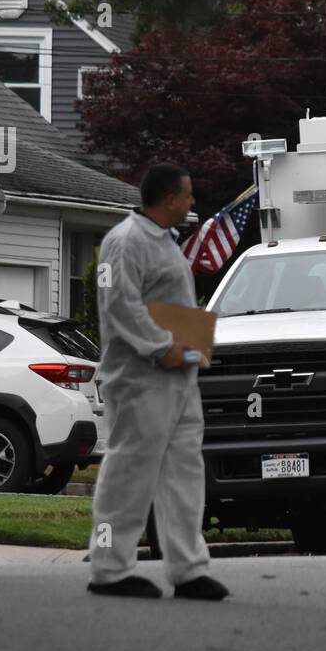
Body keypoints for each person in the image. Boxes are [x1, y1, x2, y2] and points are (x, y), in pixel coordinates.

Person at [87, 163, 228, 601]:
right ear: (169, 198)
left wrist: (186, 347)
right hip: (140, 379)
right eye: (187, 196)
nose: (191, 204)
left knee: (185, 471)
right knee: (129, 469)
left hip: (178, 377)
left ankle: (187, 568)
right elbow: (119, 304)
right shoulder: (125, 242)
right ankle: (109, 568)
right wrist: (160, 345)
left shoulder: (164, 242)